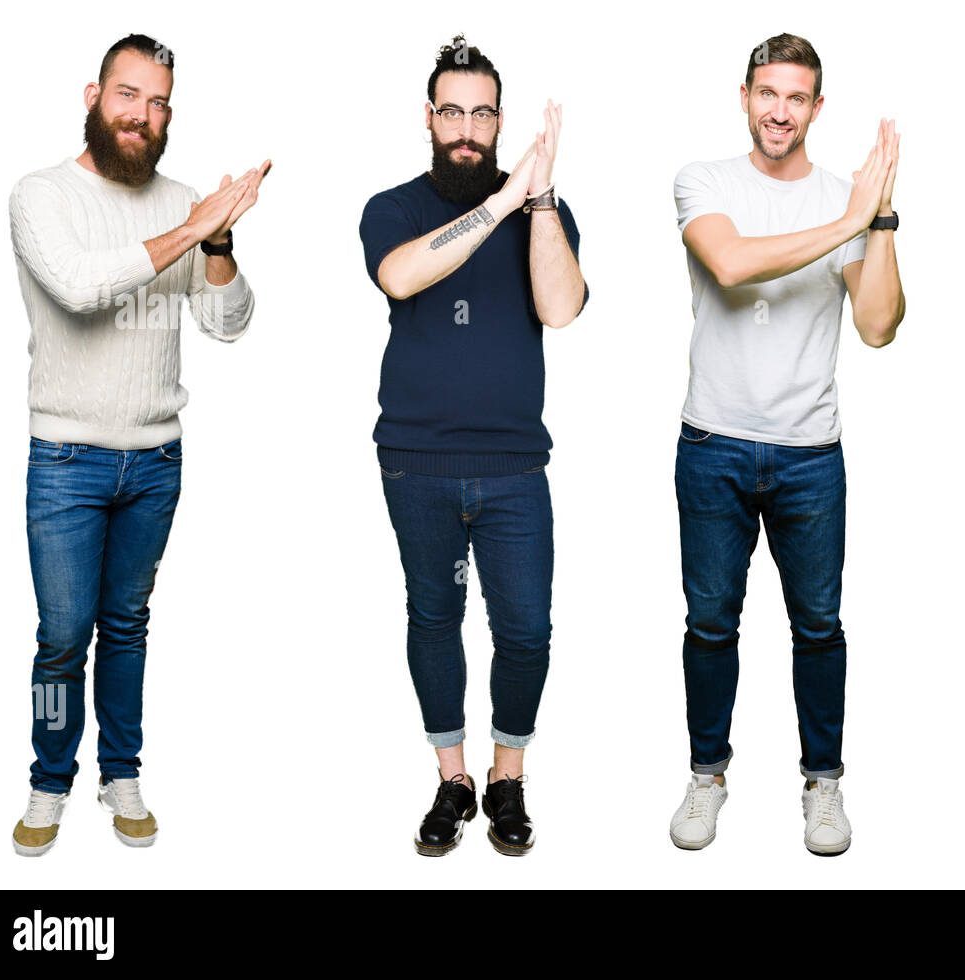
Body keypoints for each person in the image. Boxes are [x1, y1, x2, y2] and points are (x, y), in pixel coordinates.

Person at [10, 34, 270, 856]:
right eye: (129, 96)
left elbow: (227, 325)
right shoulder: (39, 194)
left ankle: (120, 771)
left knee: (127, 624)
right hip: (66, 461)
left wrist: (218, 239)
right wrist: (193, 226)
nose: (143, 116)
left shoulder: (187, 201)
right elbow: (83, 289)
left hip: (156, 461)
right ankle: (49, 780)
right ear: (93, 96)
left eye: (159, 104)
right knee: (62, 637)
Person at [669, 33, 904, 854]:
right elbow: (733, 265)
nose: (779, 111)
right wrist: (846, 218)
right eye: (767, 93)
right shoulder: (704, 181)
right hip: (714, 444)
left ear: (816, 108)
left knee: (819, 627)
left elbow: (878, 327)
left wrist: (876, 221)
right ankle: (707, 775)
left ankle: (825, 783)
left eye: (796, 97)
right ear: (744, 97)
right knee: (709, 622)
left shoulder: (850, 198)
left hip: (810, 453)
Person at [359, 35, 587, 857]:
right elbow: (401, 277)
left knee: (525, 629)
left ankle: (507, 777)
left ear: (501, 120)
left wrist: (540, 198)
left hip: (515, 469)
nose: (467, 128)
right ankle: (453, 779)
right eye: (451, 111)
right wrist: (500, 201)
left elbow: (560, 309)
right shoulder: (393, 207)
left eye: (481, 113)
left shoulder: (542, 210)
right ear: (429, 117)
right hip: (416, 464)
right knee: (435, 616)